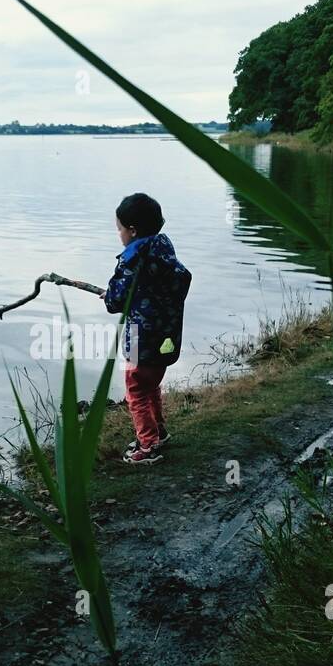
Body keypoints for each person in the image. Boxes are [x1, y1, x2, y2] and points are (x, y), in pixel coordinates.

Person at [103, 193, 191, 465]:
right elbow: (176, 285)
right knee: (151, 383)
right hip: (166, 335)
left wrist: (110, 296)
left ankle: (148, 445)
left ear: (132, 230)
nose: (118, 234)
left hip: (142, 337)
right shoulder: (163, 251)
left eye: (119, 229)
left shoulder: (133, 260)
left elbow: (115, 300)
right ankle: (158, 431)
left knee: (136, 389)